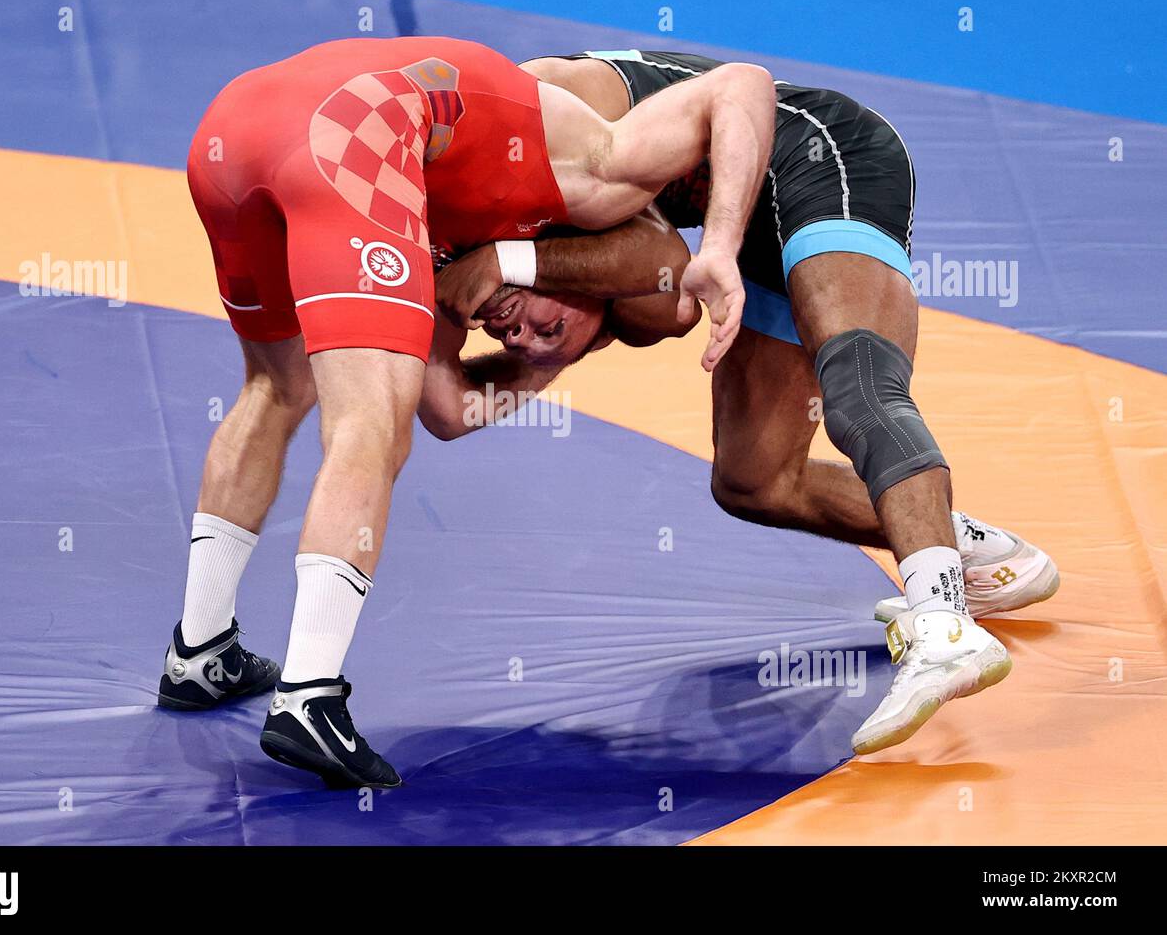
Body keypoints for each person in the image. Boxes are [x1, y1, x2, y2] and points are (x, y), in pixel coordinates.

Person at [157, 37, 777, 788]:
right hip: (354, 128)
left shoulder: (454, 235)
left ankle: (201, 650)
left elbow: (447, 409)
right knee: (365, 424)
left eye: (518, 339)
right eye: (546, 326)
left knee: (277, 388)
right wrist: (719, 243)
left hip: (232, 129)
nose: (514, 334)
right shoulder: (604, 170)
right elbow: (743, 82)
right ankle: (309, 698)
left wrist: (553, 360)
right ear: (582, 272)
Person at [431, 49, 1059, 755]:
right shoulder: (439, 247)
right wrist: (551, 353)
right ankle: (976, 555)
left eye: (512, 316)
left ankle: (945, 633)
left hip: (815, 153)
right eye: (501, 330)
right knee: (754, 480)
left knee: (857, 385)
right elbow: (462, 406)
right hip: (745, 216)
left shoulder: (529, 113)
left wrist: (716, 247)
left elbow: (743, 88)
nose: (513, 335)